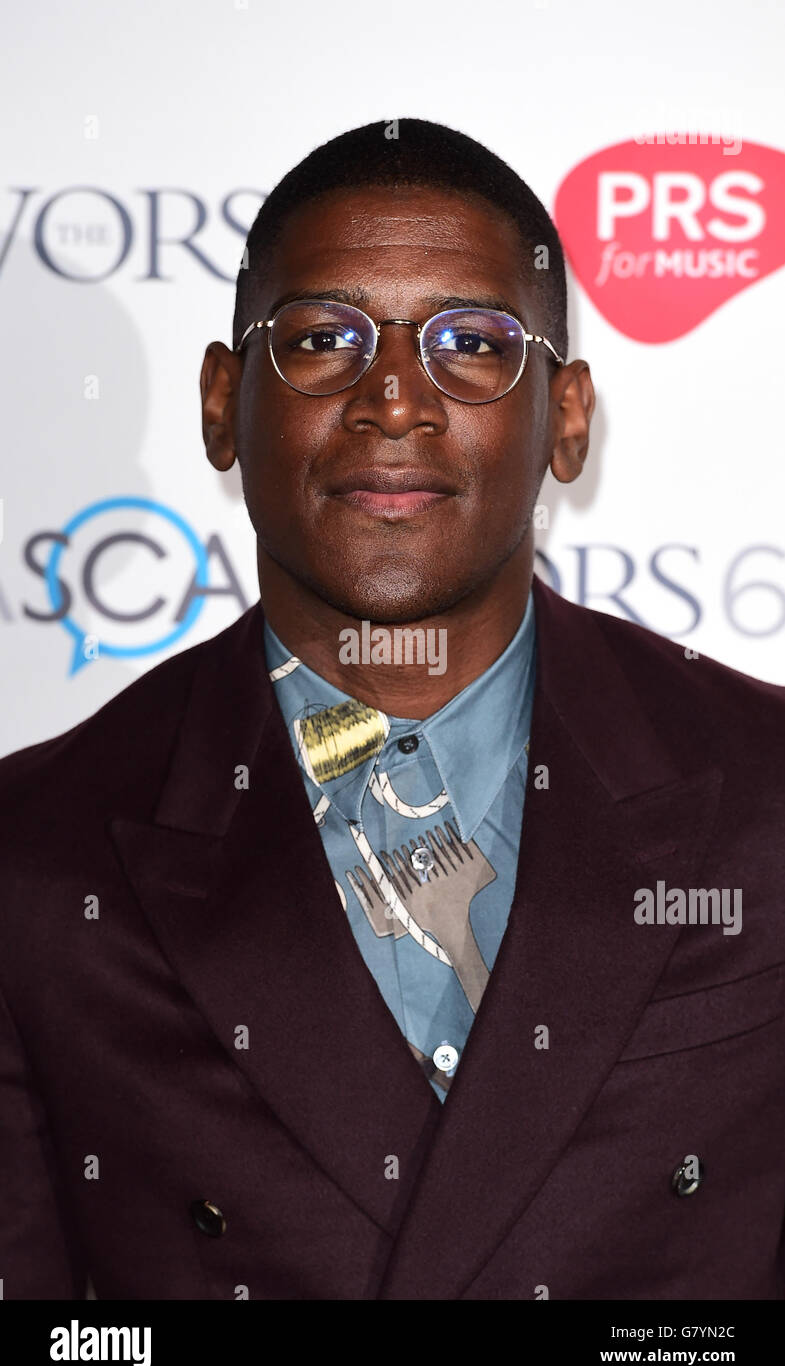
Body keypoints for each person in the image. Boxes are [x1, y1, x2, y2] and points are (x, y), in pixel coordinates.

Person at [0, 118, 783, 1302]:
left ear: (566, 418)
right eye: (323, 338)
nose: (395, 399)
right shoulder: (37, 851)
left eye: (471, 343)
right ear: (223, 402)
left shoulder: (764, 789)